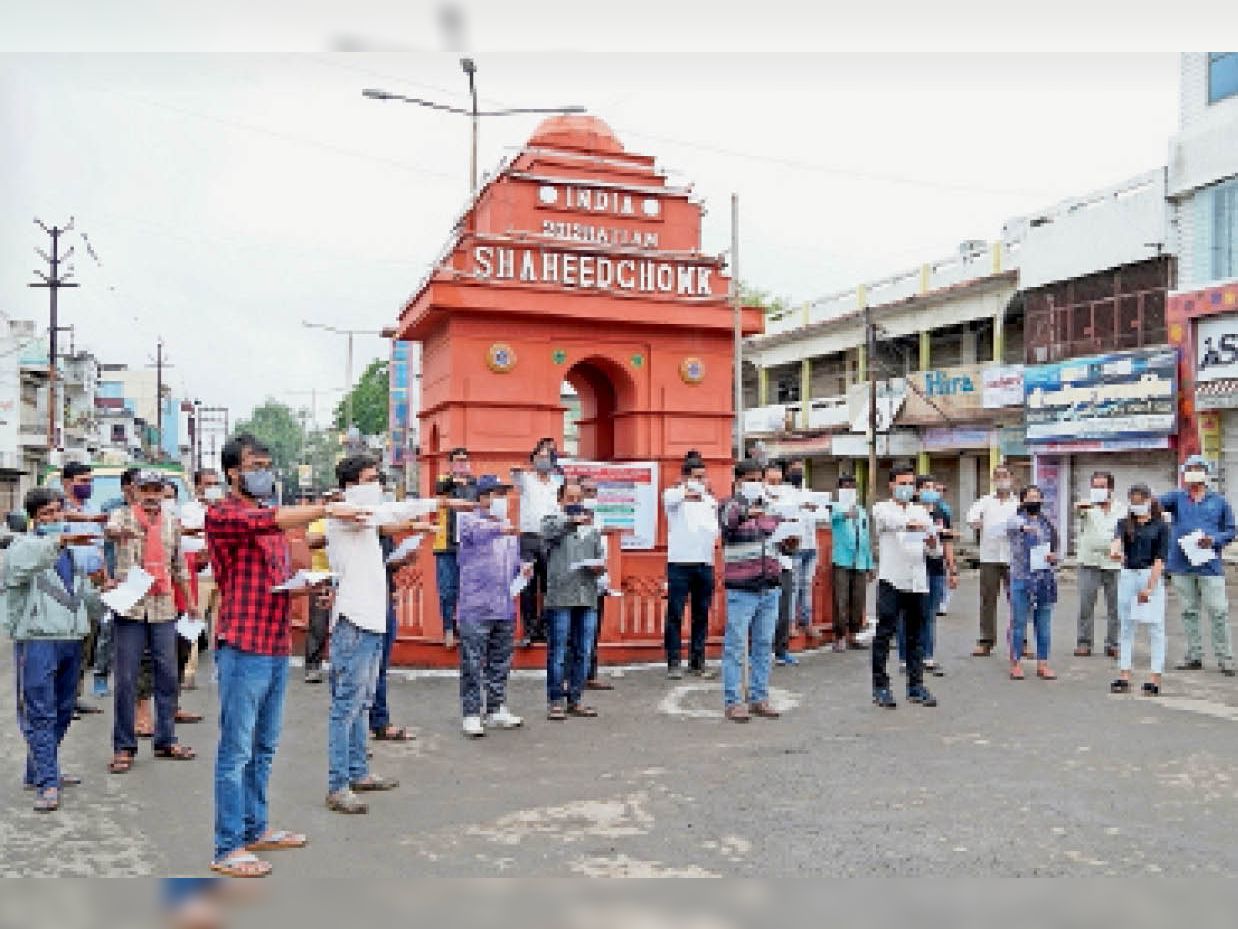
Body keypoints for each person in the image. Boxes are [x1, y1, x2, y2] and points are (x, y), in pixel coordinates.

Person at [205, 433, 367, 878]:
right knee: (236, 750)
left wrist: (309, 584)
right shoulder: (223, 513)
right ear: (233, 472)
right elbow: (273, 523)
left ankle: (255, 828)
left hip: (274, 644)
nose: (264, 472)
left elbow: (283, 566)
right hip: (243, 645)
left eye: (267, 464)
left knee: (264, 746)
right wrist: (328, 508)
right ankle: (227, 846)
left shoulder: (263, 516)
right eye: (255, 465)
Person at [323, 455, 434, 814]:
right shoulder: (344, 514)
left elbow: (387, 519)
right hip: (353, 621)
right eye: (371, 479)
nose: (378, 484)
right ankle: (338, 784)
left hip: (372, 619)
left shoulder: (367, 520)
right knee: (346, 706)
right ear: (352, 485)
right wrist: (437, 503)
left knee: (363, 703)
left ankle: (357, 772)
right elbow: (387, 514)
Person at [4, 488, 106, 812]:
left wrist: (105, 593)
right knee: (39, 712)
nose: (56, 519)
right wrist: (58, 541)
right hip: (37, 640)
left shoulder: (69, 553)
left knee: (63, 709)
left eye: (58, 512)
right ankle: (48, 782)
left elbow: (82, 591)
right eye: (47, 514)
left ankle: (38, 770)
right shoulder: (22, 547)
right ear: (34, 518)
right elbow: (24, 566)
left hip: (70, 639)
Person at [104, 470, 197, 774]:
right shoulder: (122, 516)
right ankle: (123, 747)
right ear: (135, 490)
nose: (152, 495)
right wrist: (122, 534)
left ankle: (166, 739)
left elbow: (179, 567)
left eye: (158, 489)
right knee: (127, 679)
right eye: (147, 489)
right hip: (130, 607)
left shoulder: (171, 522)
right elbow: (110, 531)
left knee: (168, 675)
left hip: (163, 606)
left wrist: (191, 603)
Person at [455, 475, 528, 738]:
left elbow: (513, 559)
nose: (501, 500)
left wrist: (523, 568)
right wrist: (500, 529)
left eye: (503, 494)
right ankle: (471, 713)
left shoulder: (507, 527)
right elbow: (477, 534)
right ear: (482, 498)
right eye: (496, 494)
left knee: (500, 661)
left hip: (503, 604)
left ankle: (496, 708)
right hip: (475, 606)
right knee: (473, 662)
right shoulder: (468, 521)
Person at [718, 459, 783, 723]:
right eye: (752, 479)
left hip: (769, 584)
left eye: (760, 479)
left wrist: (788, 542)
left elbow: (776, 539)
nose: (758, 484)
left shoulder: (771, 507)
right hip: (742, 587)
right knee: (735, 646)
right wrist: (748, 511)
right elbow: (730, 520)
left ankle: (759, 697)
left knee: (764, 645)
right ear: (739, 481)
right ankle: (733, 701)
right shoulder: (729, 505)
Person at [1159, 455, 1236, 675]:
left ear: (1206, 472)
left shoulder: (1219, 501)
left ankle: (1225, 659)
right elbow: (1154, 504)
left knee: (1218, 611)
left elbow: (1231, 530)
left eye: (1198, 468)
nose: (1193, 472)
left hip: (1209, 565)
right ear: (1184, 473)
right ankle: (1194, 655)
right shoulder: (1177, 498)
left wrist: (1214, 540)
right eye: (1189, 468)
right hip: (1181, 565)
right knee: (1188, 612)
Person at [871, 464, 938, 709]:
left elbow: (934, 549)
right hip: (892, 579)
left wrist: (931, 539)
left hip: (917, 581)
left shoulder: (921, 511)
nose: (907, 488)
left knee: (916, 636)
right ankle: (880, 686)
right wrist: (913, 526)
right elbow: (892, 521)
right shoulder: (882, 508)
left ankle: (915, 685)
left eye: (910, 484)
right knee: (885, 633)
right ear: (891, 485)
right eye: (902, 483)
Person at [542, 480, 606, 720]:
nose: (576, 503)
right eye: (570, 498)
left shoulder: (591, 525)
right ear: (560, 501)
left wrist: (599, 568)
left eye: (579, 498)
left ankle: (575, 698)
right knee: (559, 650)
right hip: (561, 595)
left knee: (584, 649)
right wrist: (570, 520)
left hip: (587, 594)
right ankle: (555, 700)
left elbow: (600, 556)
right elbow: (548, 532)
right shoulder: (552, 520)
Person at [1109, 483, 1170, 696]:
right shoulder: (1124, 523)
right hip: (1128, 574)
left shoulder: (1161, 526)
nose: (1136, 506)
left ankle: (1155, 677)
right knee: (1126, 626)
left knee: (1155, 627)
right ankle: (1124, 674)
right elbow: (1116, 542)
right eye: (1132, 502)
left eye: (1140, 502)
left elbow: (1160, 559)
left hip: (1149, 574)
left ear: (1149, 501)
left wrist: (1150, 588)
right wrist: (1115, 552)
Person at [662, 455, 719, 680]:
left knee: (701, 614)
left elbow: (715, 526)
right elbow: (672, 499)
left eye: (703, 476)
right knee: (675, 613)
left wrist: (705, 493)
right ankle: (673, 661)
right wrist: (687, 489)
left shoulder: (709, 500)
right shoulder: (672, 495)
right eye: (696, 476)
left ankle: (697, 661)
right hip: (679, 562)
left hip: (704, 561)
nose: (701, 480)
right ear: (685, 476)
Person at [62, 461, 108, 716]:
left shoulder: (92, 508)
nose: (87, 485)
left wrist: (105, 575)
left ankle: (75, 695)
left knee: (86, 641)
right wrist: (90, 518)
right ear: (67, 482)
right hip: (66, 583)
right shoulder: (58, 508)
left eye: (90, 481)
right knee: (67, 641)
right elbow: (60, 520)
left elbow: (98, 547)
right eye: (82, 481)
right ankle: (62, 698)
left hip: (91, 582)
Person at [903, 473, 956, 676]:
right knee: (910, 614)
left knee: (929, 614)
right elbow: (909, 540)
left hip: (935, 568)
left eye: (934, 488)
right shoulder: (910, 512)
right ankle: (906, 657)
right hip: (915, 566)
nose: (931, 491)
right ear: (917, 490)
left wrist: (952, 568)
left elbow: (947, 541)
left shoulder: (942, 513)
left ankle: (928, 656)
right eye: (926, 487)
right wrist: (925, 538)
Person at [1006, 484, 1060, 681]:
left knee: (1043, 624)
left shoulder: (1047, 523)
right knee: (1018, 623)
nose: (1034, 501)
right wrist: (1024, 527)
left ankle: (1043, 663)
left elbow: (1055, 548)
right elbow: (1009, 525)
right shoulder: (1017, 519)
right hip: (1021, 579)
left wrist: (1054, 558)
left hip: (1044, 579)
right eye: (1029, 497)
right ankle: (1016, 663)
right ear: (1022, 501)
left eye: (1037, 497)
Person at [511, 444, 563, 647]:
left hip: (550, 539)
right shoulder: (525, 480)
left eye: (547, 457)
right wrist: (524, 469)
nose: (543, 460)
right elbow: (515, 473)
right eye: (539, 456)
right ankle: (529, 631)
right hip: (529, 538)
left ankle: (546, 629)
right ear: (532, 460)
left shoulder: (557, 483)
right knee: (529, 587)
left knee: (550, 586)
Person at [965, 464, 1019, 657]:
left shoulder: (1018, 503)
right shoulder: (985, 501)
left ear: (1012, 478)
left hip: (1013, 557)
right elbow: (971, 517)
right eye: (998, 476)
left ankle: (1021, 640)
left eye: (1005, 475)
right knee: (988, 600)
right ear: (993, 480)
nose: (1002, 479)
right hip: (990, 556)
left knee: (1017, 600)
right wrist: (976, 523)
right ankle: (986, 640)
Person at [432, 447, 479, 650]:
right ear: (450, 464)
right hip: (446, 545)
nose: (461, 463)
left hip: (470, 545)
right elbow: (439, 489)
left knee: (469, 589)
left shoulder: (474, 484)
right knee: (447, 590)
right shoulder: (444, 481)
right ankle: (448, 629)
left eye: (465, 460)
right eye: (458, 460)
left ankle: (466, 628)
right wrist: (454, 479)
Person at [1074, 471, 1123, 658]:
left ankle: (1113, 643)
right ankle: (1084, 642)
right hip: (1089, 562)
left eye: (1102, 486)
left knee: (1115, 607)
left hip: (1114, 563)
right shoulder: (1087, 507)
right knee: (1086, 605)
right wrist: (1088, 504)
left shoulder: (1121, 509)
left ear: (1110, 488)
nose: (1098, 489)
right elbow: (1077, 508)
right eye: (1095, 486)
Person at [762, 461, 801, 667]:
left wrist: (793, 535)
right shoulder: (757, 500)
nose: (775, 485)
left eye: (778, 481)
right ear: (763, 480)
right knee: (761, 609)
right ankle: (761, 650)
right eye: (771, 481)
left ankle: (781, 649)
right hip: (761, 562)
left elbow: (796, 527)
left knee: (783, 608)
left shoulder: (788, 500)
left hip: (783, 560)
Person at [830, 473, 873, 652]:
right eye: (845, 486)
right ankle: (839, 636)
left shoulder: (861, 511)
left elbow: (866, 537)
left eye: (852, 486)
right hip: (842, 559)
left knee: (858, 599)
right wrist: (845, 513)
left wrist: (870, 564)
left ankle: (853, 634)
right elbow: (833, 518)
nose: (849, 489)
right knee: (841, 599)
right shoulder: (834, 507)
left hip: (860, 560)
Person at [786, 457, 825, 645]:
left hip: (811, 544)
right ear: (788, 472)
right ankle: (791, 623)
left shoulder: (809, 493)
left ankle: (807, 621)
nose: (798, 473)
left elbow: (820, 513)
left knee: (807, 585)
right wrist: (800, 506)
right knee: (793, 586)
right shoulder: (785, 493)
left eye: (800, 469)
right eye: (795, 469)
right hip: (795, 545)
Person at [302, 496, 330, 685]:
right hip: (321, 576)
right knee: (318, 624)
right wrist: (337, 535)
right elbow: (311, 541)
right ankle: (313, 666)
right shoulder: (319, 521)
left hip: (346, 575)